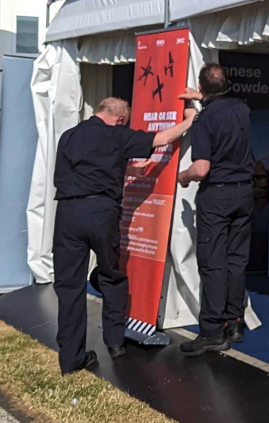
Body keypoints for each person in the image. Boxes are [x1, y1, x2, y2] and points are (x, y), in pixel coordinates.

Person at [52, 97, 194, 374]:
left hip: (68, 213)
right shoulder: (117, 134)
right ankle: (115, 343)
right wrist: (190, 121)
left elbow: (85, 168)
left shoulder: (69, 136)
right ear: (119, 118)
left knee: (69, 287)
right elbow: (161, 138)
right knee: (111, 275)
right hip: (101, 212)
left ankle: (70, 360)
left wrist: (124, 167)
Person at [177, 63, 256, 356]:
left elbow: (201, 168)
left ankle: (211, 330)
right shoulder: (242, 110)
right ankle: (235, 322)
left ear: (202, 86)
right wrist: (200, 98)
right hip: (243, 193)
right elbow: (222, 107)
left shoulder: (203, 121)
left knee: (212, 263)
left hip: (217, 195)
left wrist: (182, 176)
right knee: (236, 260)